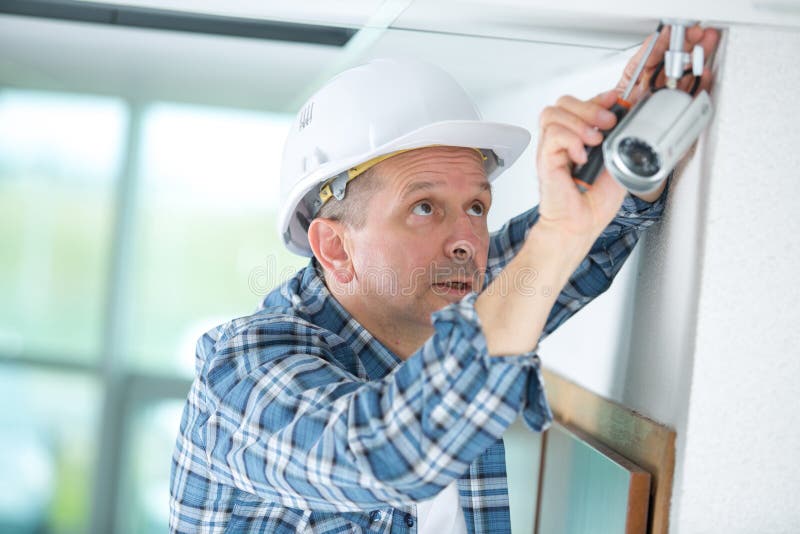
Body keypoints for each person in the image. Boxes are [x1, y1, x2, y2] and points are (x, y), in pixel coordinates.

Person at [170, 26, 718, 533]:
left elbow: (559, 256)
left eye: (476, 206)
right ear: (335, 246)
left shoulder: (441, 306)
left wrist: (634, 143)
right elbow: (387, 451)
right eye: (425, 207)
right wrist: (558, 232)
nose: (467, 239)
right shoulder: (240, 377)